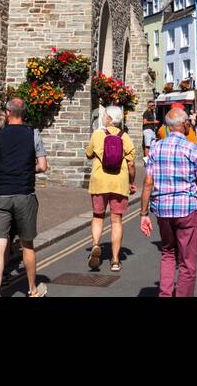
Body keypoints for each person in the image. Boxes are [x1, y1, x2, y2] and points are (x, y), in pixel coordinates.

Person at [140, 106, 197, 297]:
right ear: (183, 124)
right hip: (186, 210)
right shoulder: (192, 148)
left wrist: (143, 213)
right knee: (187, 262)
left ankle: (164, 295)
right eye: (188, 121)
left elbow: (148, 183)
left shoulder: (156, 148)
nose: (189, 123)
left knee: (168, 253)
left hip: (162, 211)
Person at [0, 97, 49, 297]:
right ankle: (33, 289)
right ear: (23, 113)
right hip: (24, 194)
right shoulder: (33, 134)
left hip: (0, 194)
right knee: (27, 243)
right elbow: (43, 166)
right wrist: (28, 170)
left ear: (8, 113)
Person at [85, 105, 137, 272]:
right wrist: (131, 182)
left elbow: (89, 154)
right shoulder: (125, 137)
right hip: (119, 183)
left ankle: (95, 244)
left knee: (98, 216)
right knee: (116, 221)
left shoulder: (98, 134)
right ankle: (115, 260)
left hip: (100, 181)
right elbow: (131, 164)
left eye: (105, 115)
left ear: (108, 119)